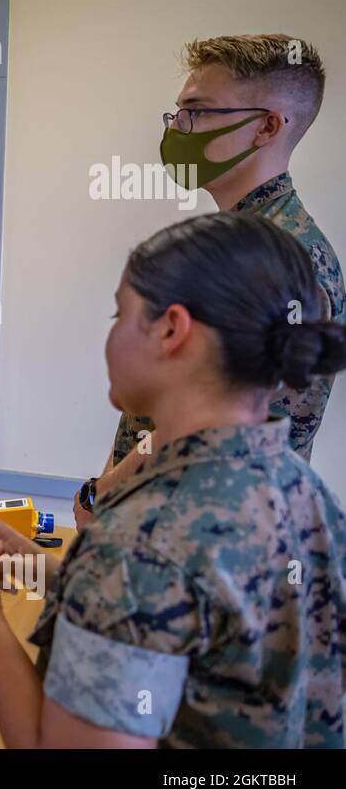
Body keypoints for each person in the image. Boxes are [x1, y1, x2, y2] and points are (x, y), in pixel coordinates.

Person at [0, 212, 346, 747]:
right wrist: (53, 575)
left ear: (172, 330)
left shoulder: (140, 540)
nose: (109, 336)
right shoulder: (310, 495)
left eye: (119, 314)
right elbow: (192, 631)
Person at [78, 34, 344, 527]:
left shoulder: (284, 260)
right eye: (178, 113)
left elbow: (223, 425)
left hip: (200, 541)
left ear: (266, 127)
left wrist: (102, 497)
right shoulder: (235, 242)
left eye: (197, 112)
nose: (179, 129)